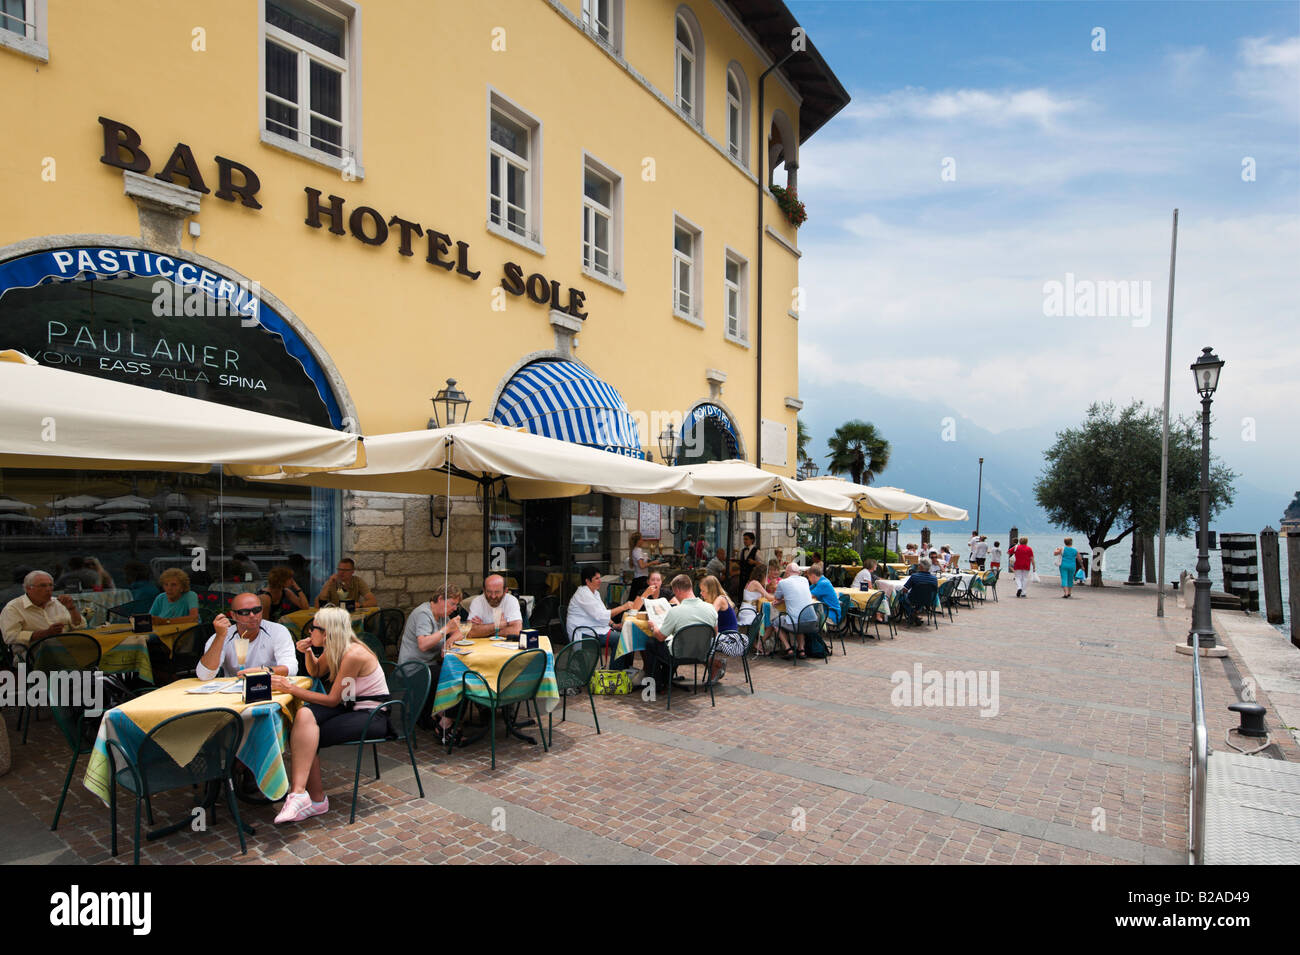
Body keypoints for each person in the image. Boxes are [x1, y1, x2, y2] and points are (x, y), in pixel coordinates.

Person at [272, 606, 390, 824]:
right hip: (349, 704)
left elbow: (333, 700)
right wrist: (308, 652)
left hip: (371, 713)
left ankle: (315, 800)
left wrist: (291, 689)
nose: (309, 632)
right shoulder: (336, 646)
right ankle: (299, 794)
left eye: (312, 628)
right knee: (304, 716)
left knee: (308, 736)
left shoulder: (353, 654)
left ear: (327, 632)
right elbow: (316, 671)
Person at [397, 584, 464, 737]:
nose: (454, 608)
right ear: (440, 599)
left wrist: (448, 641)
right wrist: (446, 630)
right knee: (454, 677)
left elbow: (459, 632)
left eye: (456, 604)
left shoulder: (442, 616)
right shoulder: (423, 613)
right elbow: (423, 644)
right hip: (412, 668)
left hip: (429, 665)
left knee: (459, 670)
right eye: (452, 603)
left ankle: (442, 715)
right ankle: (444, 721)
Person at [196, 591, 297, 679]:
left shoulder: (277, 631)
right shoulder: (222, 635)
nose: (252, 615)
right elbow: (204, 675)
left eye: (257, 610)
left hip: (270, 685)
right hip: (234, 689)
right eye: (245, 612)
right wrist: (220, 637)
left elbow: (291, 668)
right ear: (233, 615)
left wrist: (263, 671)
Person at [644, 574, 716, 688]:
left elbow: (660, 637)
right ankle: (666, 679)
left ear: (677, 590)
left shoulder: (675, 612)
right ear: (691, 587)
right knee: (675, 643)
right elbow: (714, 633)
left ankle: (657, 684)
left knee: (651, 642)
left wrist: (653, 627)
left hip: (680, 655)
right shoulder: (711, 608)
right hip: (702, 653)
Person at [566, 566, 644, 666]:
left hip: (594, 628)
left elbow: (603, 612)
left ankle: (626, 668)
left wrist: (614, 625)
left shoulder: (595, 593)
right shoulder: (583, 594)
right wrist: (623, 607)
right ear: (587, 581)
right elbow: (601, 616)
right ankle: (615, 674)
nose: (600, 581)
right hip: (584, 633)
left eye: (600, 578)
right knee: (620, 639)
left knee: (628, 633)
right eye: (596, 578)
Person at [1, 570, 84, 657]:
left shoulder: (58, 603)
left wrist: (72, 609)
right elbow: (10, 636)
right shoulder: (13, 608)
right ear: (29, 588)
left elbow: (80, 626)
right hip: (33, 656)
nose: (48, 589)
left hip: (67, 650)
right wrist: (45, 633)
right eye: (43, 586)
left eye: (51, 585)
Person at [699, 574, 744, 684]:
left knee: (698, 646)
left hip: (730, 638)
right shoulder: (716, 599)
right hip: (722, 635)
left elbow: (710, 615)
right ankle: (717, 664)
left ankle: (716, 666)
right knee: (696, 644)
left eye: (703, 591)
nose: (701, 593)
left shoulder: (720, 599)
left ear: (711, 590)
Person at [772, 566, 816, 659]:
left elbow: (776, 597)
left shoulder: (783, 582)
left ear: (787, 572)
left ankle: (789, 649)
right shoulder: (805, 580)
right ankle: (801, 650)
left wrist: (782, 599)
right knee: (798, 616)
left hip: (797, 624)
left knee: (775, 622)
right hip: (813, 622)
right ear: (798, 572)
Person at [466, 574, 524, 639]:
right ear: (484, 590)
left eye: (497, 592)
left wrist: (484, 631)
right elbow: (470, 632)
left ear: (505, 591)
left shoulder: (511, 601)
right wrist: (498, 625)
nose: (493, 596)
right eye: (489, 592)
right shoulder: (477, 601)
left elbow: (516, 631)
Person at [899, 558, 940, 625]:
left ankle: (912, 614)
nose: (918, 566)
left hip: (914, 600)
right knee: (922, 596)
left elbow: (905, 590)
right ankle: (915, 614)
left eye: (919, 565)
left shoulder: (914, 576)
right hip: (928, 601)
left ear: (921, 566)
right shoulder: (934, 578)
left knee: (901, 597)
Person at [806, 562, 842, 630]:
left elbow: (808, 595)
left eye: (809, 577)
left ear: (813, 576)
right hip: (828, 611)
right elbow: (806, 591)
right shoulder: (820, 581)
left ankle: (811, 638)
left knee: (807, 617)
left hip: (831, 615)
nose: (809, 580)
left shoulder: (823, 583)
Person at [626, 531, 653, 600]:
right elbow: (642, 566)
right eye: (641, 539)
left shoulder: (635, 550)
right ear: (638, 541)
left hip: (638, 578)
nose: (643, 541)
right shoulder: (637, 551)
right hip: (641, 580)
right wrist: (653, 563)